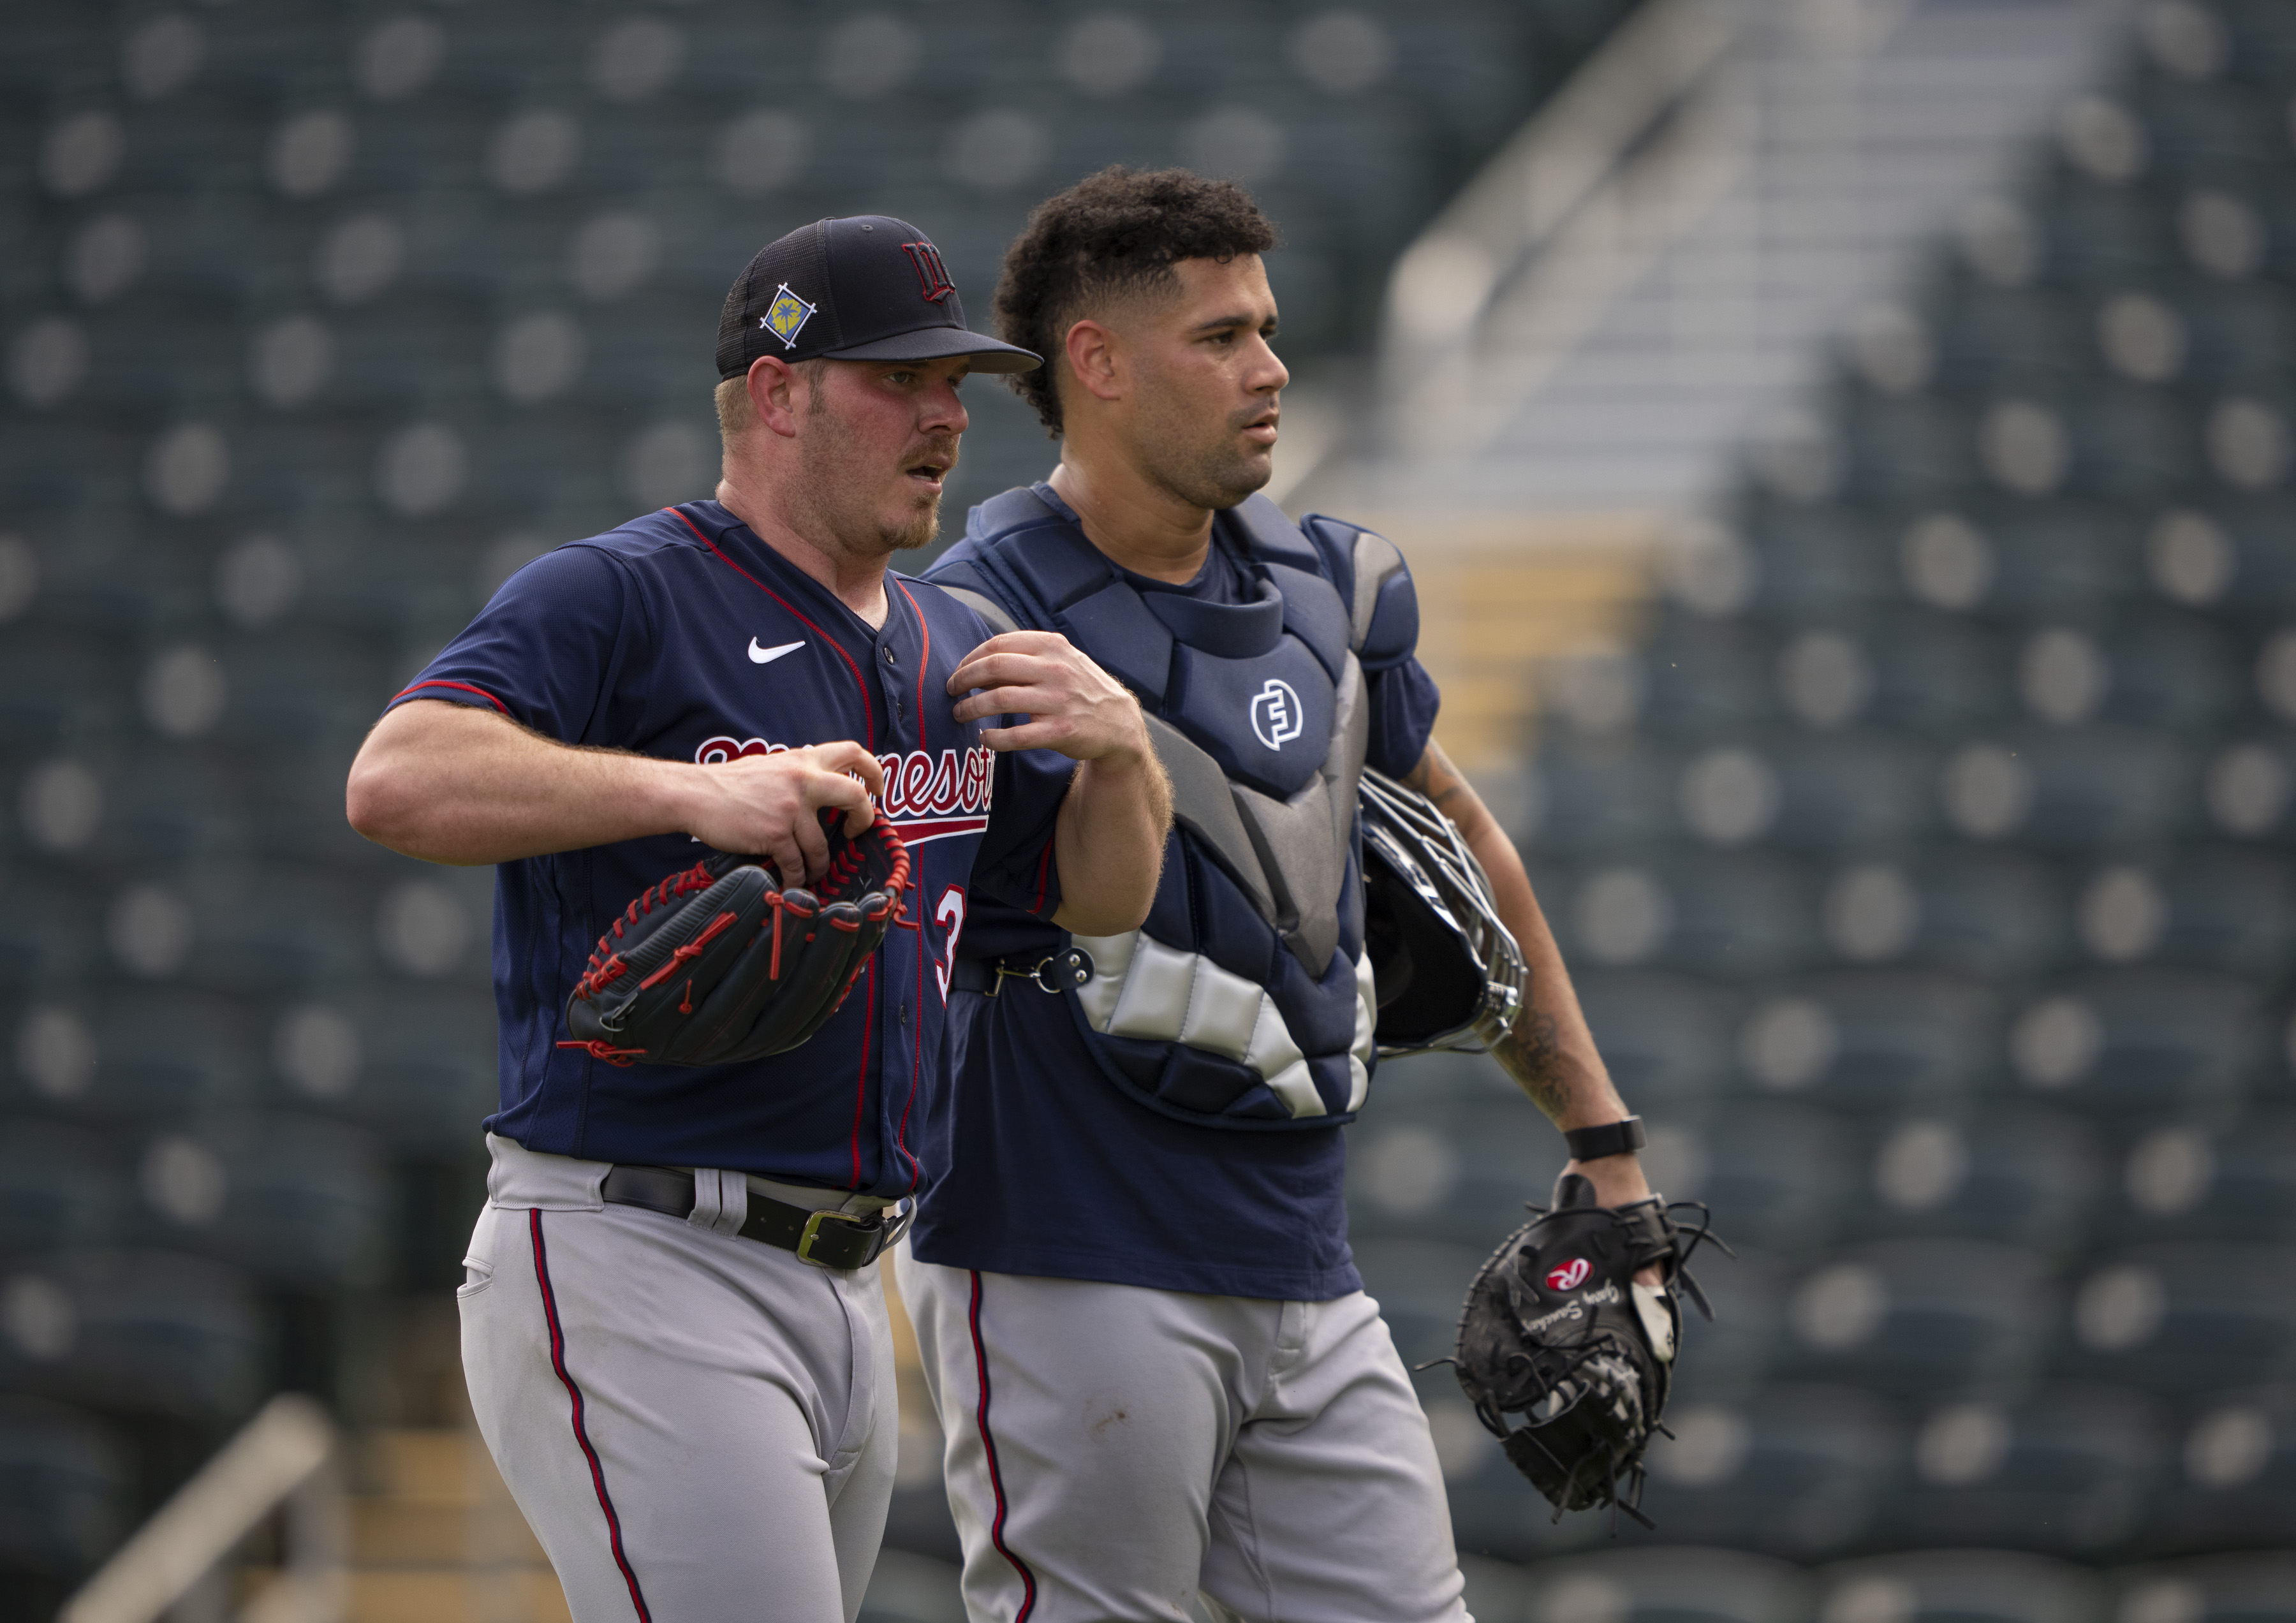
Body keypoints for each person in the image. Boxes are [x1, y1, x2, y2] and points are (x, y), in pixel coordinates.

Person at [343, 214, 1170, 1623]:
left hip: (857, 1282)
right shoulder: (624, 592)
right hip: (640, 1249)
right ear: (777, 393)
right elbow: (396, 777)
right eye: (896, 380)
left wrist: (1126, 751)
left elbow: (1099, 897)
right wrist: (692, 793)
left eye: (954, 384)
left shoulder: (955, 644)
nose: (943, 416)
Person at [897, 168, 1663, 1623]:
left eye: (1269, 327)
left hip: (1308, 1271)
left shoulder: (1335, 591)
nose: (1273, 368)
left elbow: (1467, 847)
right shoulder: (973, 621)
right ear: (1099, 364)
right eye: (1223, 337)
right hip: (1069, 1269)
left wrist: (1603, 1140)